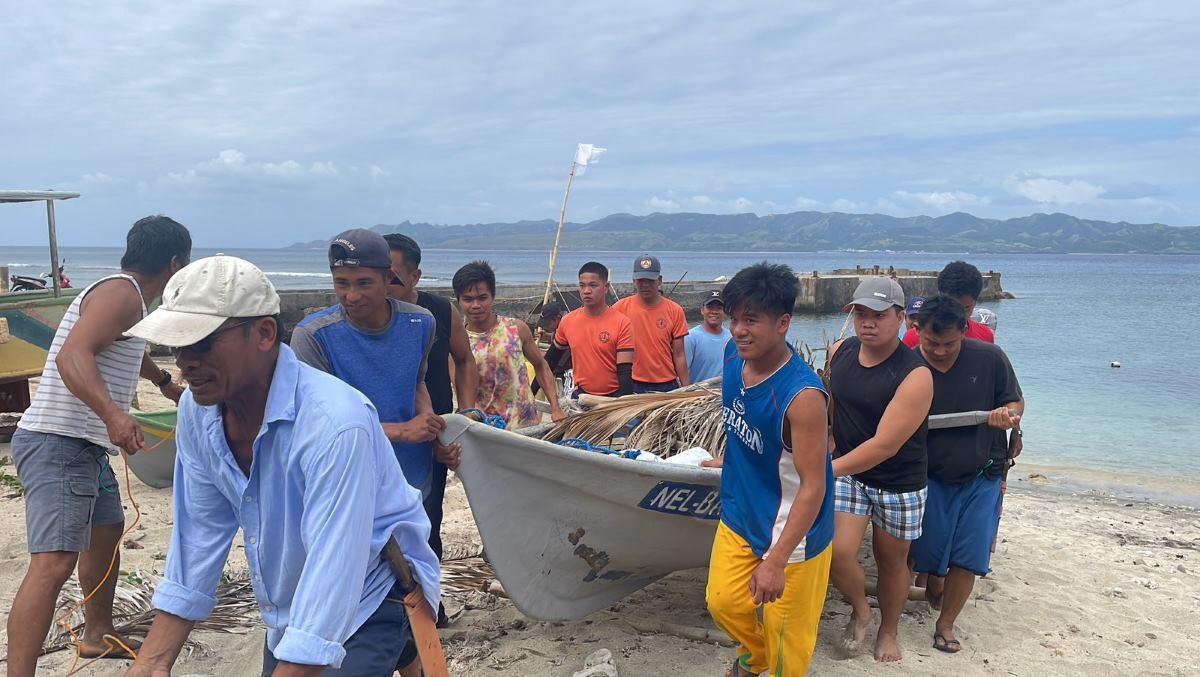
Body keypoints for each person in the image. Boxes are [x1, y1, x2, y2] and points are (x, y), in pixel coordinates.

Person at [121, 255, 439, 676]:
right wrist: (152, 662)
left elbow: (335, 567)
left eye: (200, 343)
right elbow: (199, 537)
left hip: (371, 586)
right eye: (177, 346)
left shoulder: (334, 423)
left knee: (360, 638)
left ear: (265, 333)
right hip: (288, 601)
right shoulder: (198, 413)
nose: (183, 361)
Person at [7, 215, 191, 675]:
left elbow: (126, 346)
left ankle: (96, 634)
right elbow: (74, 354)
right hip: (59, 441)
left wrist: (165, 381)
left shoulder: (128, 300)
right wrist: (113, 412)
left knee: (107, 530)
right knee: (53, 564)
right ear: (175, 263)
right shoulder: (122, 293)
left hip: (85, 447)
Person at [705, 263, 834, 677]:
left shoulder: (802, 396)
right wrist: (733, 456)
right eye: (735, 319)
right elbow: (739, 422)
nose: (739, 330)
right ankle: (753, 657)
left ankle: (766, 663)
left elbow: (814, 485)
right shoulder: (733, 355)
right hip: (742, 511)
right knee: (722, 601)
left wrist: (777, 560)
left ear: (783, 323)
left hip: (793, 530)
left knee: (786, 648)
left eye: (752, 320)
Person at [290, 229, 455, 501]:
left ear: (388, 278)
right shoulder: (313, 336)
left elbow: (416, 382)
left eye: (364, 283)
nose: (352, 296)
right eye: (342, 283)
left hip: (412, 479)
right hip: (347, 484)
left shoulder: (421, 323)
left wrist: (432, 430)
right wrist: (402, 431)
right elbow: (317, 424)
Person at [826, 278, 933, 662]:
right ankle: (860, 608)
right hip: (850, 474)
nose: (867, 323)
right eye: (860, 313)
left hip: (898, 481)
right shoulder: (839, 351)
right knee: (837, 552)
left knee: (892, 562)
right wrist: (829, 437)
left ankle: (889, 631)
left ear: (902, 319)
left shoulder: (915, 374)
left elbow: (885, 444)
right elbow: (832, 400)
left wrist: (826, 470)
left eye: (879, 315)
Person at [909, 295, 1022, 655]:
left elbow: (1015, 401)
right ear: (916, 331)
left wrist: (1008, 416)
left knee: (969, 555)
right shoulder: (907, 366)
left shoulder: (989, 358)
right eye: (931, 343)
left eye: (949, 344)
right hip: (928, 473)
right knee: (925, 552)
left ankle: (946, 624)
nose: (940, 351)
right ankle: (933, 586)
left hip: (983, 470)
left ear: (965, 331)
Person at [382, 233, 477, 570]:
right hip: (382, 434)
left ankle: (428, 607)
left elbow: (465, 360)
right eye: (378, 273)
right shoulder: (367, 320)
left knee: (427, 521)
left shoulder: (437, 312)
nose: (384, 284)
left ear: (414, 276)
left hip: (431, 436)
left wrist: (465, 418)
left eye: (391, 276)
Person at [452, 260, 565, 426]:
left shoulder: (516, 329)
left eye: (482, 298)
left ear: (493, 297)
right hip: (485, 430)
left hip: (525, 426)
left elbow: (541, 365)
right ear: (459, 301)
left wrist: (555, 408)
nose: (476, 305)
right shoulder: (458, 342)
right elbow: (460, 388)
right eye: (468, 299)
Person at [545, 262, 634, 397]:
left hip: (613, 396)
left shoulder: (622, 323)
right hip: (581, 395)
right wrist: (532, 394)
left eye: (593, 285)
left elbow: (624, 372)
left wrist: (623, 406)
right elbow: (549, 361)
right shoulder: (568, 321)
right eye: (582, 285)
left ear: (606, 287)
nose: (586, 291)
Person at [612, 255, 690, 391]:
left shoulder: (675, 310)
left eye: (650, 280)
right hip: (632, 382)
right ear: (634, 281)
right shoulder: (619, 309)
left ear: (659, 281)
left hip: (667, 383)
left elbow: (679, 354)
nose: (645, 285)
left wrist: (687, 388)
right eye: (641, 280)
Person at [903, 261, 994, 347]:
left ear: (975, 302)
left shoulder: (985, 336)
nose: (958, 316)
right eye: (951, 307)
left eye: (965, 308)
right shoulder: (914, 337)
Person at [684, 290, 731, 383]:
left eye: (719, 308)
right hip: (699, 394)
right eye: (710, 307)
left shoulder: (732, 338)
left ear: (725, 311)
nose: (714, 312)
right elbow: (683, 370)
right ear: (702, 310)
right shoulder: (690, 337)